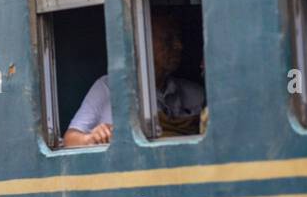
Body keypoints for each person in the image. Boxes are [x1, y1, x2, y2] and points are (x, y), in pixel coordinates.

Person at [62, 9, 204, 147]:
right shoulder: (108, 87)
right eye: (168, 39)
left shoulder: (195, 94)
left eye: (178, 38)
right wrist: (91, 138)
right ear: (144, 44)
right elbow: (70, 139)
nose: (179, 45)